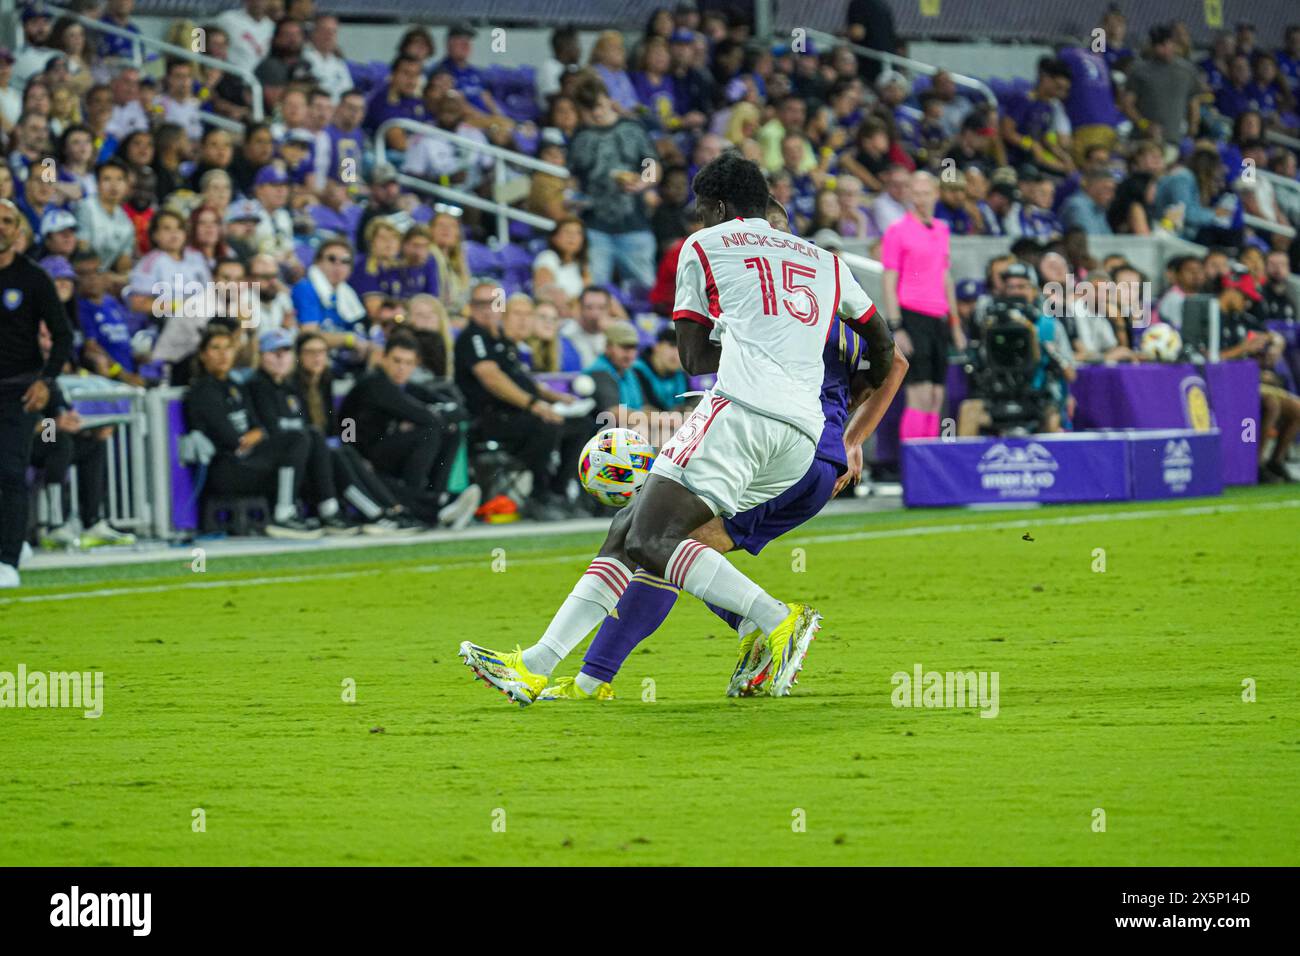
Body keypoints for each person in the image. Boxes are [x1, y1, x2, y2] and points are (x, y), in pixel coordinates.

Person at [458, 152, 896, 704]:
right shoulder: (826, 261)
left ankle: (772, 619)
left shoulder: (705, 246)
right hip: (803, 436)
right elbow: (884, 346)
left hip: (740, 411)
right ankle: (540, 665)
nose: (699, 219)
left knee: (651, 536)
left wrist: (742, 337)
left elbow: (691, 358)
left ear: (715, 206)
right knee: (633, 528)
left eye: (701, 210)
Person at [453, 281, 587, 521]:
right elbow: (492, 378)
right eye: (481, 304)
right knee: (546, 426)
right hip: (488, 419)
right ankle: (538, 494)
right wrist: (534, 405)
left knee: (582, 426)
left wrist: (554, 397)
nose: (487, 309)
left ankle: (559, 492)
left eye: (493, 303)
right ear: (471, 308)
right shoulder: (473, 338)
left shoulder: (500, 341)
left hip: (515, 416)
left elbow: (521, 378)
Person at [184, 327, 323, 539]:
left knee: (308, 438)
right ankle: (283, 515)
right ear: (203, 355)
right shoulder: (202, 391)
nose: (223, 354)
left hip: (249, 459)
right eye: (215, 348)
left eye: (228, 348)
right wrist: (249, 437)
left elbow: (259, 428)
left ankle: (319, 510)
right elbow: (230, 439)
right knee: (296, 440)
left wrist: (252, 436)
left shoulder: (235, 386)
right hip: (226, 469)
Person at [0, 198, 73, 587]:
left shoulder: (33, 278)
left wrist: (46, 381)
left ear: (19, 232)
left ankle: (8, 560)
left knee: (10, 470)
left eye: (8, 221)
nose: (1, 227)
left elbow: (63, 336)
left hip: (18, 393)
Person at [881, 171, 964, 443]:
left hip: (938, 317)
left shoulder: (942, 229)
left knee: (937, 395)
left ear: (935, 194)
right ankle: (914, 462)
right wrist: (897, 327)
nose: (921, 198)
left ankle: (929, 461)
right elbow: (889, 279)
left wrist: (955, 324)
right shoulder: (897, 231)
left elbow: (945, 276)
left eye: (926, 192)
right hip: (912, 314)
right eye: (915, 193)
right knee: (920, 394)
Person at [566, 73, 660, 289]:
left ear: (609, 99)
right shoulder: (580, 137)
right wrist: (571, 198)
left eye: (599, 105)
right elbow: (572, 178)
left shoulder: (633, 129)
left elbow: (653, 165)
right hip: (594, 227)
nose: (597, 113)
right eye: (590, 109)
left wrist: (643, 183)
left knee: (646, 291)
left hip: (634, 224)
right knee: (594, 290)